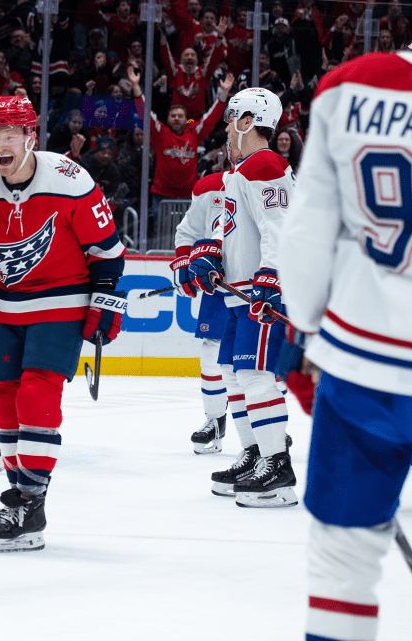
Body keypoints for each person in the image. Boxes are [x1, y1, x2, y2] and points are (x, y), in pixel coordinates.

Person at [276, 0, 412, 640]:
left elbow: (309, 232)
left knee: (343, 563)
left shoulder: (352, 87)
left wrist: (305, 331)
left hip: (365, 358)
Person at [0, 95, 126, 552]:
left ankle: (30, 499)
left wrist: (106, 300)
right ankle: (20, 499)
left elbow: (106, 249)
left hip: (63, 299)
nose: (1, 145)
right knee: (4, 398)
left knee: (37, 389)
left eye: (10, 135)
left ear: (31, 136)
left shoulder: (70, 179)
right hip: (8, 305)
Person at [186, 87, 295, 508]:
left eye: (231, 121)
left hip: (260, 293)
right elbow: (233, 227)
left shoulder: (266, 163)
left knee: (256, 378)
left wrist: (272, 276)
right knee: (234, 376)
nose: (227, 132)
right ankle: (254, 453)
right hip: (238, 293)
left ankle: (277, 467)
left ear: (248, 121)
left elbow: (280, 226)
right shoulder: (241, 172)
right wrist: (210, 252)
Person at [169, 156, 232, 454]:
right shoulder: (210, 188)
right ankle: (215, 422)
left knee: (259, 361)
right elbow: (189, 230)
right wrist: (184, 264)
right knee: (211, 351)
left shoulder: (270, 181)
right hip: (217, 284)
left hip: (256, 282)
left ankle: (266, 426)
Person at [129, 65, 233, 219]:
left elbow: (212, 118)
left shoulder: (194, 133)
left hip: (189, 194)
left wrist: (224, 93)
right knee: (161, 234)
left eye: (180, 116)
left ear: (186, 119)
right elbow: (144, 114)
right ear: (168, 119)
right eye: (173, 116)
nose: (176, 118)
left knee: (187, 236)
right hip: (162, 194)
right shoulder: (160, 133)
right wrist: (135, 86)